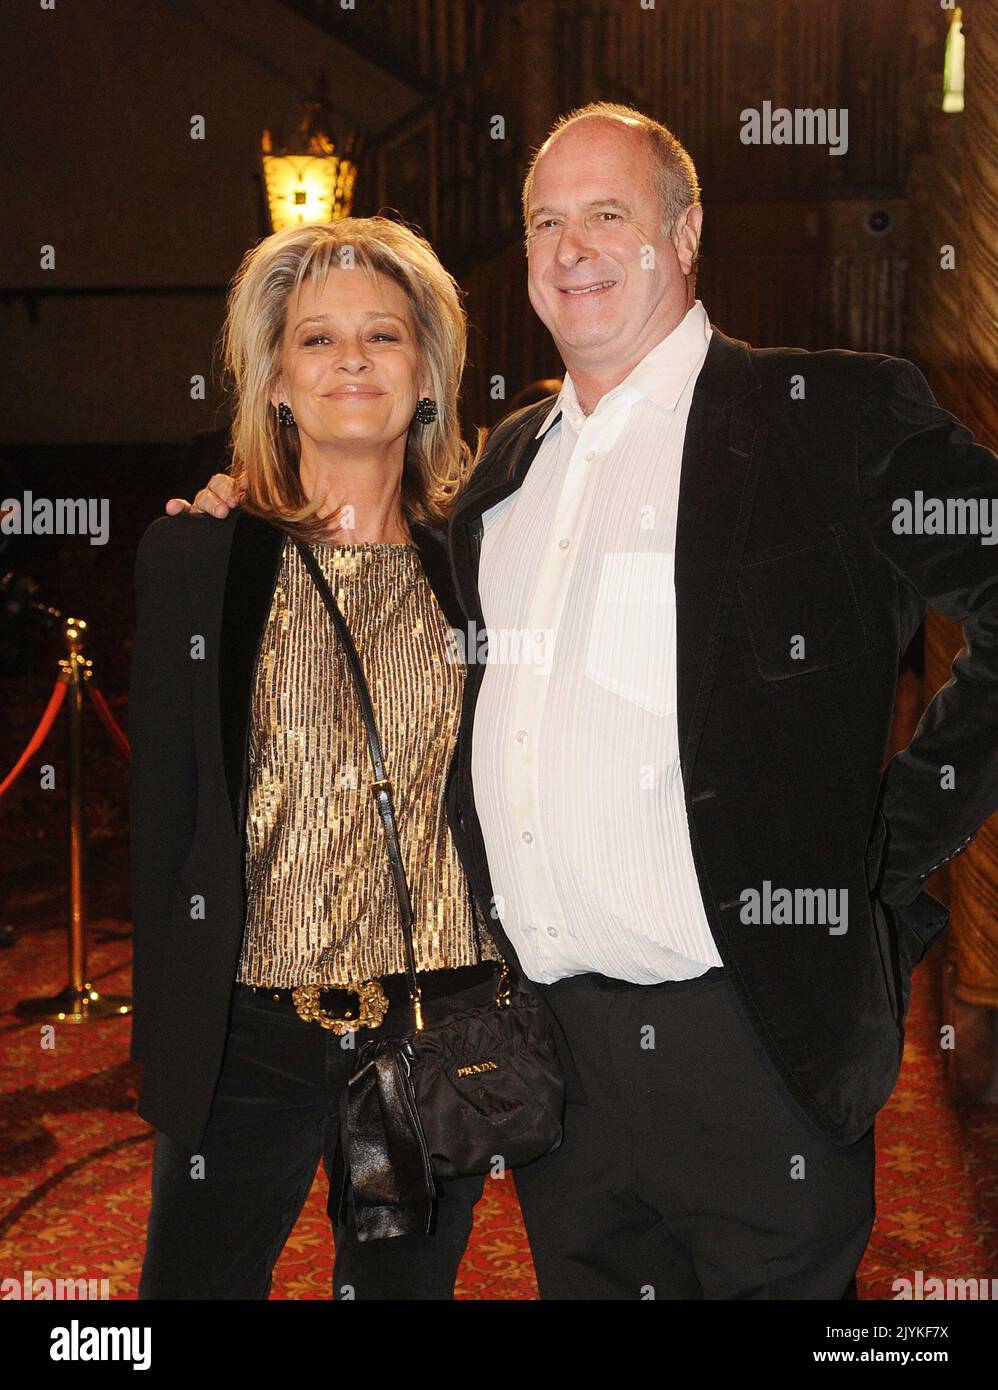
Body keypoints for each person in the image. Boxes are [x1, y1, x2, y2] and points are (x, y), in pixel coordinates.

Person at [172, 102, 998, 1299]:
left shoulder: (826, 417)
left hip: (752, 1040)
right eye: (543, 221)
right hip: (557, 1067)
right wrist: (243, 525)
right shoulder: (504, 468)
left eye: (606, 212)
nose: (569, 247)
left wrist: (887, 850)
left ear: (684, 230)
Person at [132, 215, 511, 1300]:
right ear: (276, 382)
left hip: (427, 1034)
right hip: (248, 1029)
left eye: (383, 336)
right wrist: (166, 1045)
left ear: (427, 375)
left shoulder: (488, 565)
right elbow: (163, 819)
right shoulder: (197, 559)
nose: (351, 359)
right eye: (316, 339)